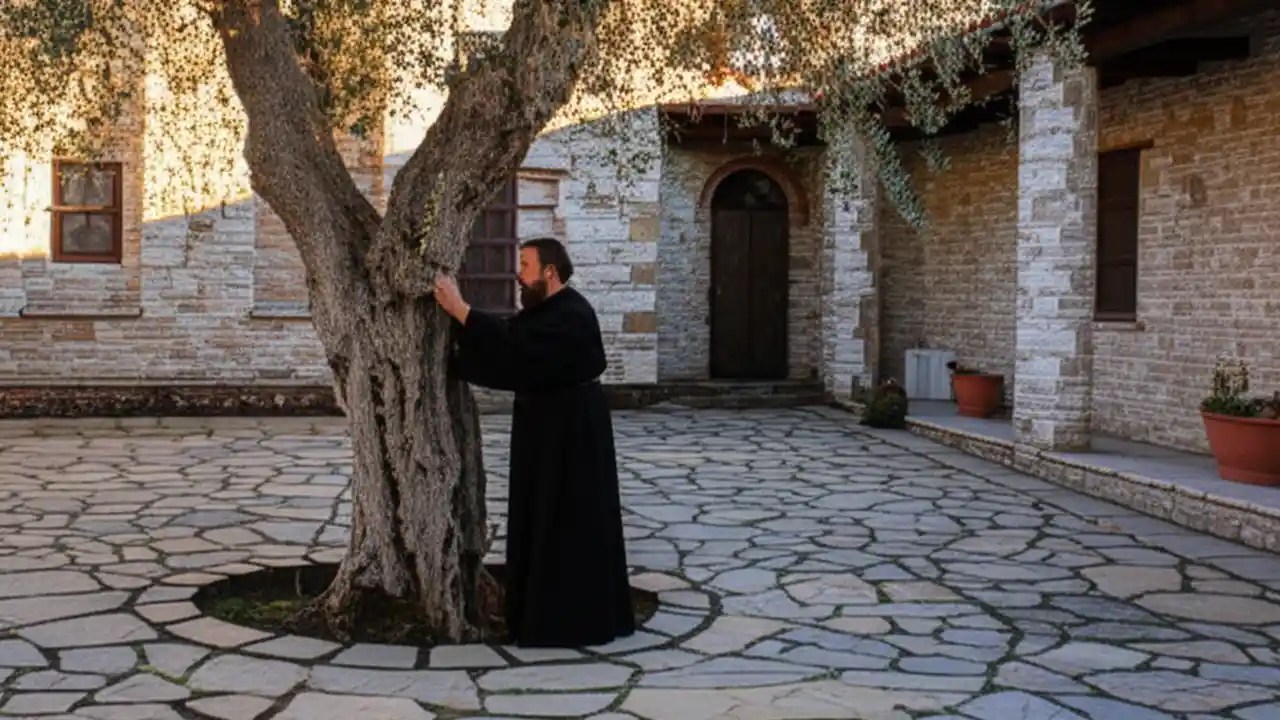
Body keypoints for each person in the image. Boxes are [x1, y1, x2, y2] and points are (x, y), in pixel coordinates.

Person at [432, 237, 635, 647]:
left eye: (525, 265)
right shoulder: (547, 313)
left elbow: (517, 348)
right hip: (547, 430)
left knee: (569, 522)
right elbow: (512, 342)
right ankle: (536, 615)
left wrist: (463, 311)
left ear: (549, 271)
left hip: (573, 436)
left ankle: (570, 621)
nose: (518, 274)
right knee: (541, 517)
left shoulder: (572, 314)